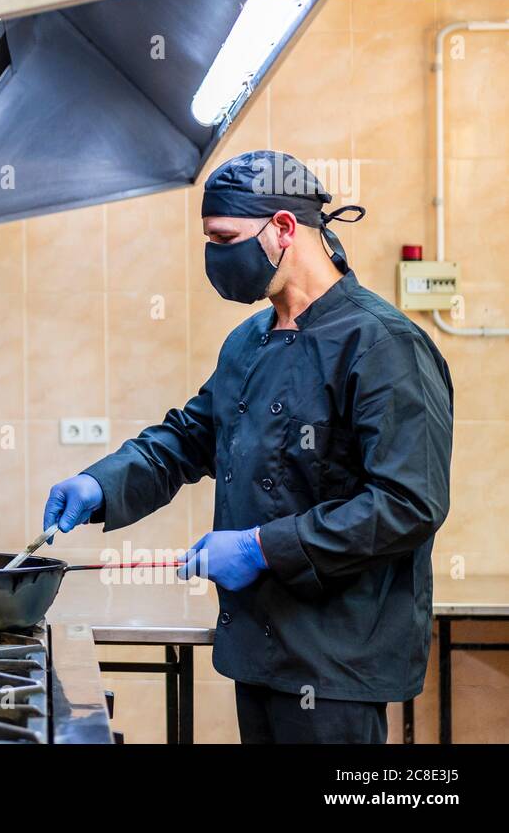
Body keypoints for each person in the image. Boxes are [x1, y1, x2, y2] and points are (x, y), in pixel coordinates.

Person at [43, 151, 453, 743]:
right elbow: (189, 437)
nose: (215, 255)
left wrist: (263, 547)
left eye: (225, 237)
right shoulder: (248, 341)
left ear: (284, 228)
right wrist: (101, 483)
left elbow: (407, 504)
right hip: (255, 651)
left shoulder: (383, 345)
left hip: (336, 662)